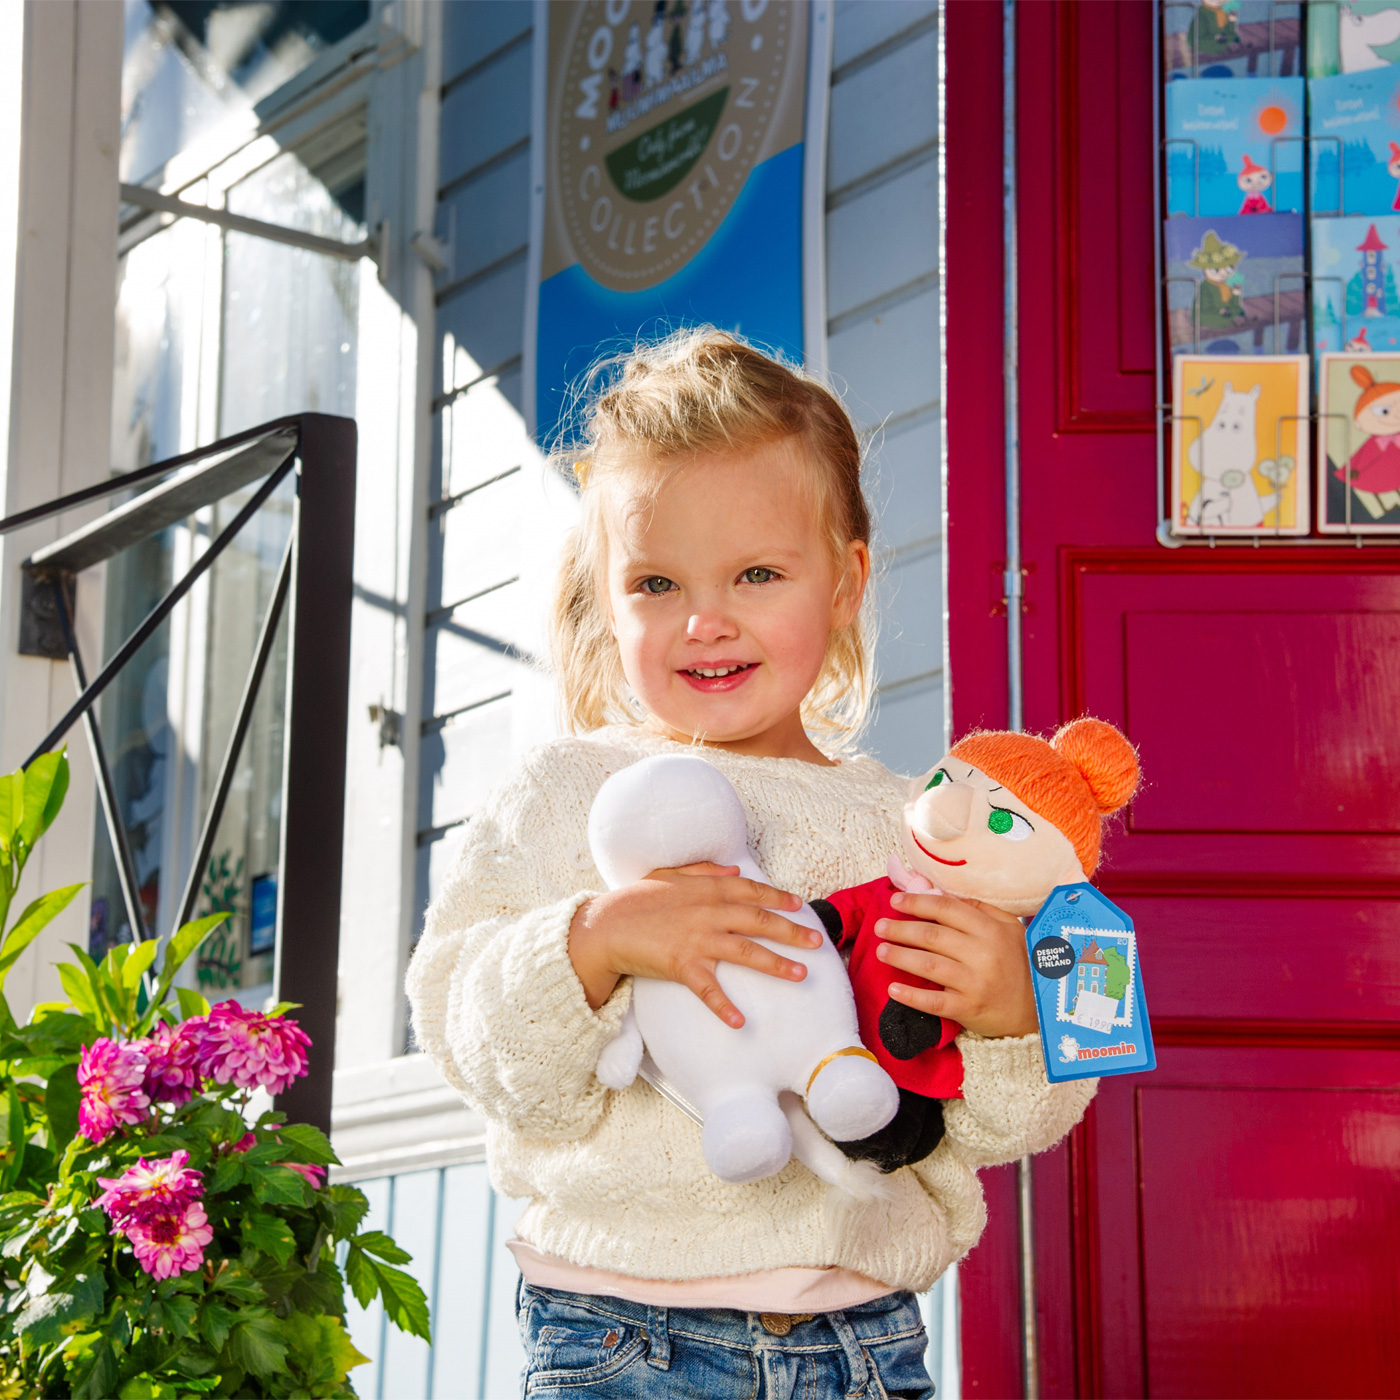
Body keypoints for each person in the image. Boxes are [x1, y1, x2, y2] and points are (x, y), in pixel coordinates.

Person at [407, 328, 1097, 1399]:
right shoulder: (561, 795)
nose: (705, 617)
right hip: (621, 1342)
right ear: (604, 594)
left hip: (861, 1342)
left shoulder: (911, 831)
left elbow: (991, 1132)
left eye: (757, 571)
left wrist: (1009, 1016)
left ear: (844, 581)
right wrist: (589, 940)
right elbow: (459, 1020)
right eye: (655, 581)